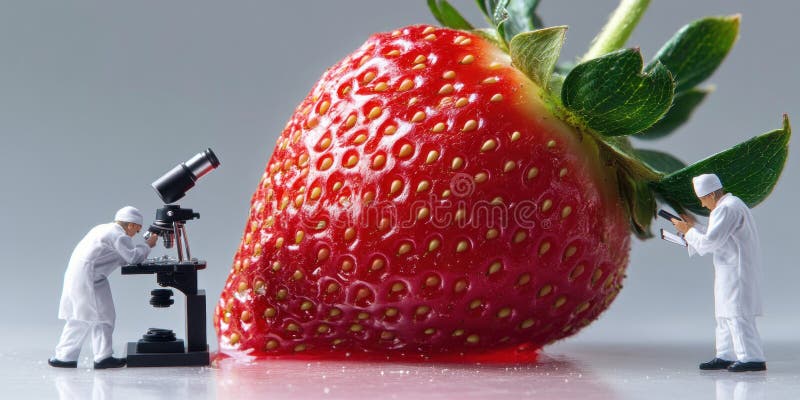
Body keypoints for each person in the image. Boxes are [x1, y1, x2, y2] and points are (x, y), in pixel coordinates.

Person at [671, 174, 766, 372]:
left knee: (737, 315)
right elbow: (717, 233)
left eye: (703, 199)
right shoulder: (730, 206)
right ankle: (725, 354)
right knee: (723, 316)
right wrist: (692, 226)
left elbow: (710, 242)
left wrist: (688, 232)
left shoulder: (726, 208)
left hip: (735, 272)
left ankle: (752, 358)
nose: (703, 205)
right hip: (728, 270)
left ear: (712, 194)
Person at [49, 206, 158, 369]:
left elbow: (111, 255)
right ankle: (98, 358)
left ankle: (67, 357)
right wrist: (148, 245)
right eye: (136, 230)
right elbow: (133, 257)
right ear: (130, 225)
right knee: (94, 319)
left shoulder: (102, 228)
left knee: (84, 318)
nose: (135, 234)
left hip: (86, 276)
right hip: (89, 279)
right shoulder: (118, 235)